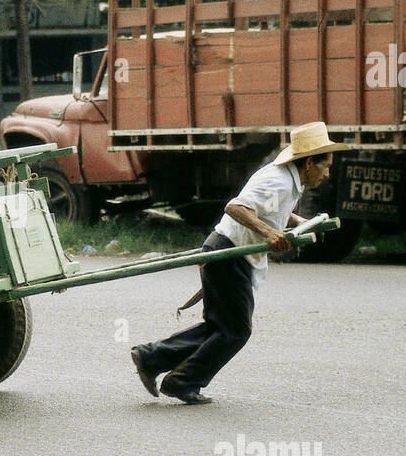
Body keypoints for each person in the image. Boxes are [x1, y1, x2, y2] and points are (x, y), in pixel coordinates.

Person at [130, 121, 350, 404]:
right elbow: (235, 207)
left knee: (220, 327)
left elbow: (272, 210)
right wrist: (270, 233)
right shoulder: (280, 182)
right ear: (309, 163)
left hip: (232, 253)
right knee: (236, 331)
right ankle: (181, 381)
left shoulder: (289, 182)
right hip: (229, 254)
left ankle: (151, 357)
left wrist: (299, 222)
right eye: (326, 165)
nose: (328, 173)